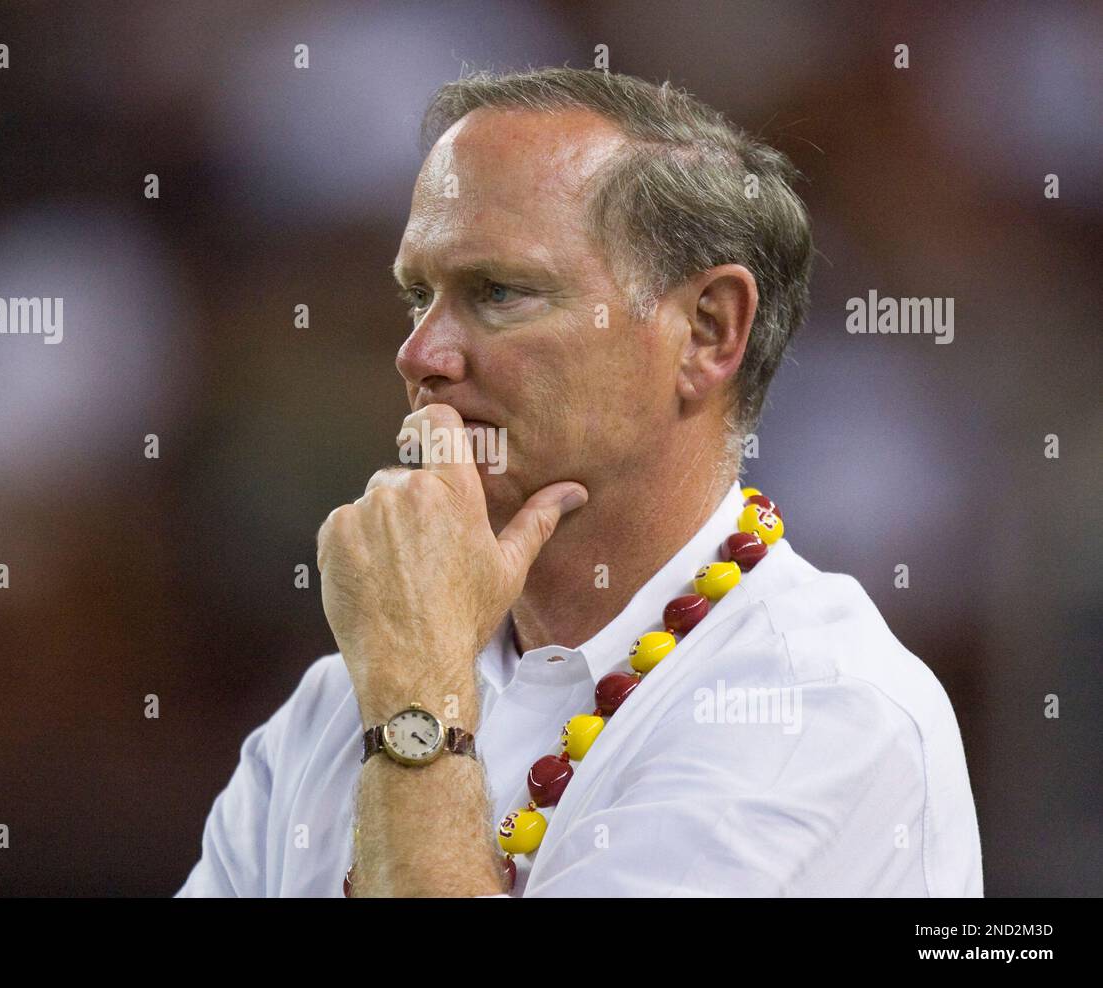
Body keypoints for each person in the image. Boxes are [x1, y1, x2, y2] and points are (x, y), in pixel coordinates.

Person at [176, 67, 982, 897]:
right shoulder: (336, 704)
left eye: (498, 292)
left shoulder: (814, 709)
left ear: (707, 331)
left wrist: (417, 706)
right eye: (418, 295)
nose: (420, 355)